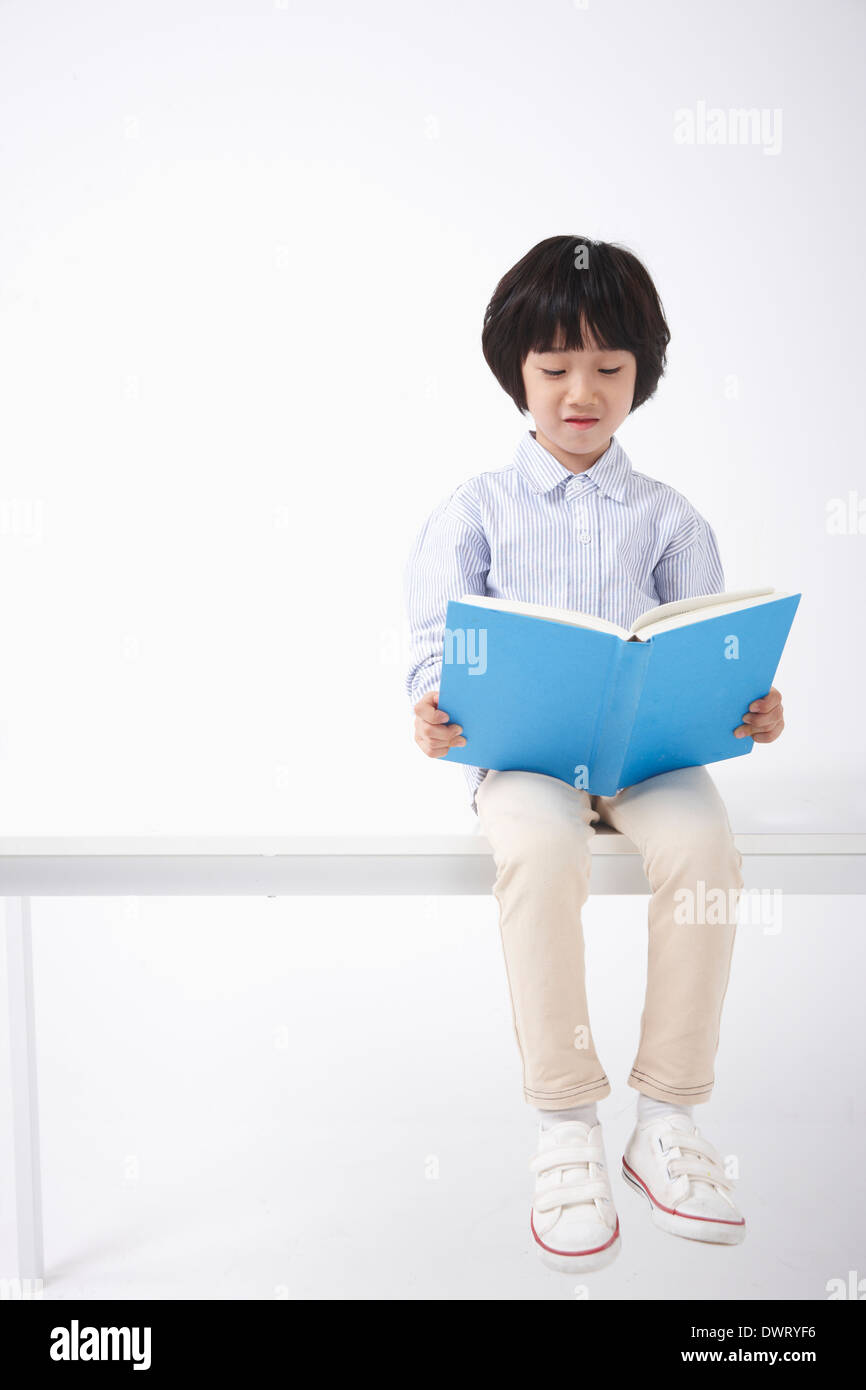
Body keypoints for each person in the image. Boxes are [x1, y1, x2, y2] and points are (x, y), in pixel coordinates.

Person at [403, 235, 785, 1273]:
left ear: (640, 377)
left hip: (650, 760)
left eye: (608, 368)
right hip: (526, 760)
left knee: (704, 845)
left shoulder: (669, 518)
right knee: (538, 851)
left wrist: (750, 707)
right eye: (554, 367)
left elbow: (709, 647)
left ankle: (665, 1118)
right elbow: (435, 653)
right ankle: (567, 1123)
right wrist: (431, 707)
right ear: (514, 371)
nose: (581, 391)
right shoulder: (470, 512)